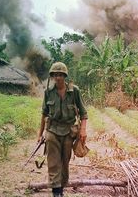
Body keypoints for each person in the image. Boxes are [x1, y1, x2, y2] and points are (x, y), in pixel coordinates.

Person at [37, 62, 88, 197]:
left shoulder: (74, 91)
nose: (58, 77)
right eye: (55, 75)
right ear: (52, 76)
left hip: (68, 132)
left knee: (65, 161)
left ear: (65, 76)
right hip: (52, 130)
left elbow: (83, 113)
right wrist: (40, 133)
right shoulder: (48, 92)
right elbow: (44, 113)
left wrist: (83, 130)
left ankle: (62, 186)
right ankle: (56, 191)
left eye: (60, 75)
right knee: (53, 161)